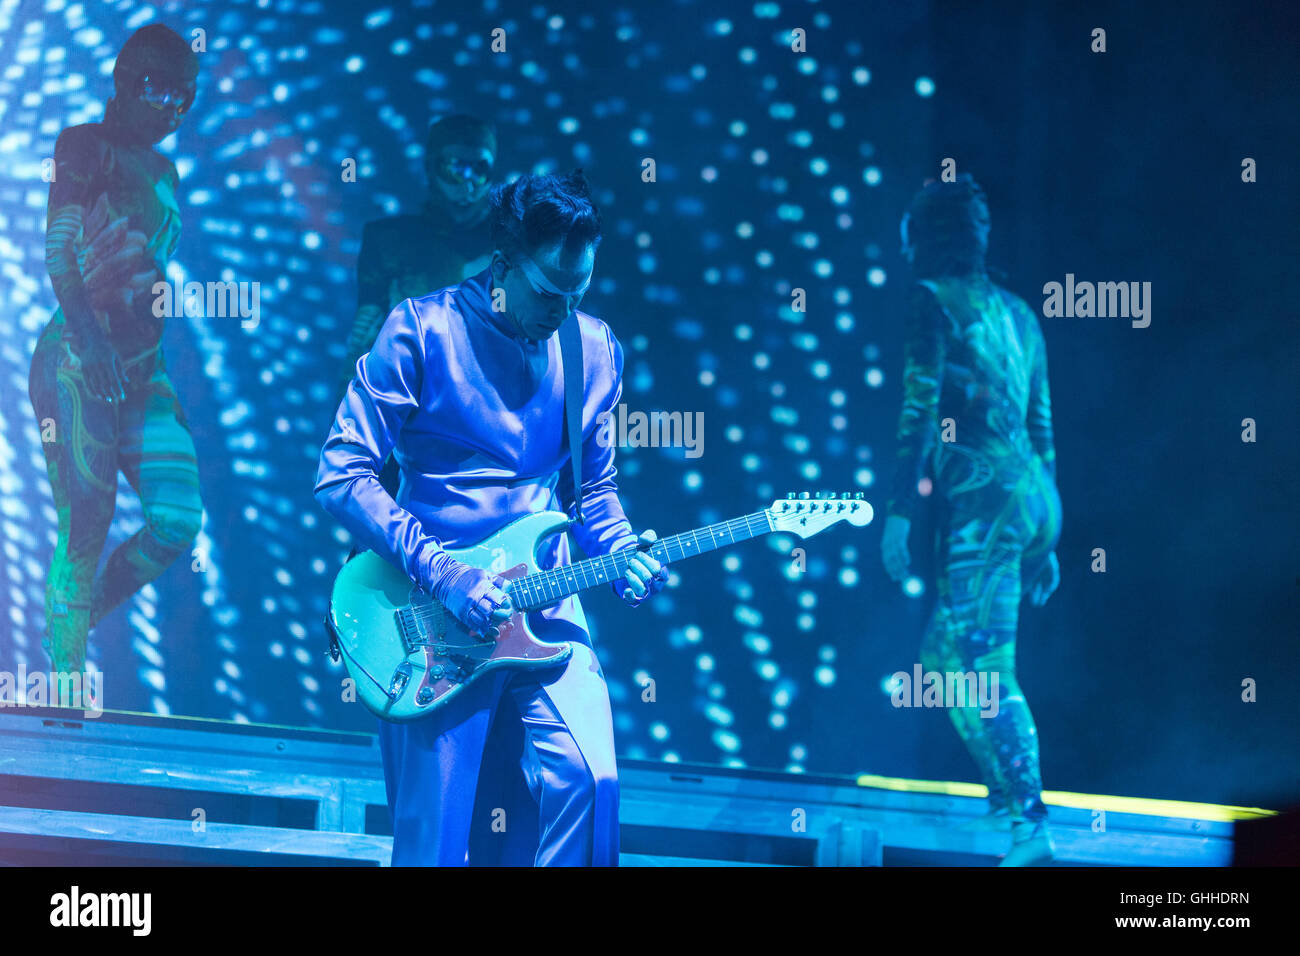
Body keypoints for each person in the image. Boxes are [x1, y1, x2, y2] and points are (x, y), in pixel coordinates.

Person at [315, 170, 667, 866]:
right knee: (437, 840)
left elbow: (593, 491)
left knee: (591, 783)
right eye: (548, 292)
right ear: (502, 264)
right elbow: (341, 473)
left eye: (579, 293)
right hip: (431, 612)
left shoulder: (593, 349)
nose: (562, 311)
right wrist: (443, 573)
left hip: (546, 597)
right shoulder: (420, 328)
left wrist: (624, 550)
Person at [880, 175, 1062, 866]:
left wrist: (899, 514)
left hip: (985, 508)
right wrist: (1049, 536)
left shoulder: (932, 303)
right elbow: (1041, 426)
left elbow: (919, 412)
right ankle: (1004, 797)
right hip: (1033, 498)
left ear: (924, 236)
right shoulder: (1020, 312)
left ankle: (1031, 822)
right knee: (941, 655)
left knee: (987, 667)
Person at [29, 24, 203, 681]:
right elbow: (57, 249)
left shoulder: (167, 171)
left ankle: (72, 619)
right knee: (89, 519)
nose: (175, 111)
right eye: (164, 93)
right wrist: (92, 339)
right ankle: (64, 686)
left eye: (187, 98)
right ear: (126, 83)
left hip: (142, 372)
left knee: (178, 519)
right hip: (78, 360)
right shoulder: (83, 146)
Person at [335, 115, 498, 494]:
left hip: (492, 412)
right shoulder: (389, 240)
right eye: (456, 166)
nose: (469, 180)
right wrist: (350, 425)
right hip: (407, 408)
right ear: (432, 167)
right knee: (381, 535)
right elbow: (366, 334)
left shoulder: (514, 241)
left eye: (480, 167)